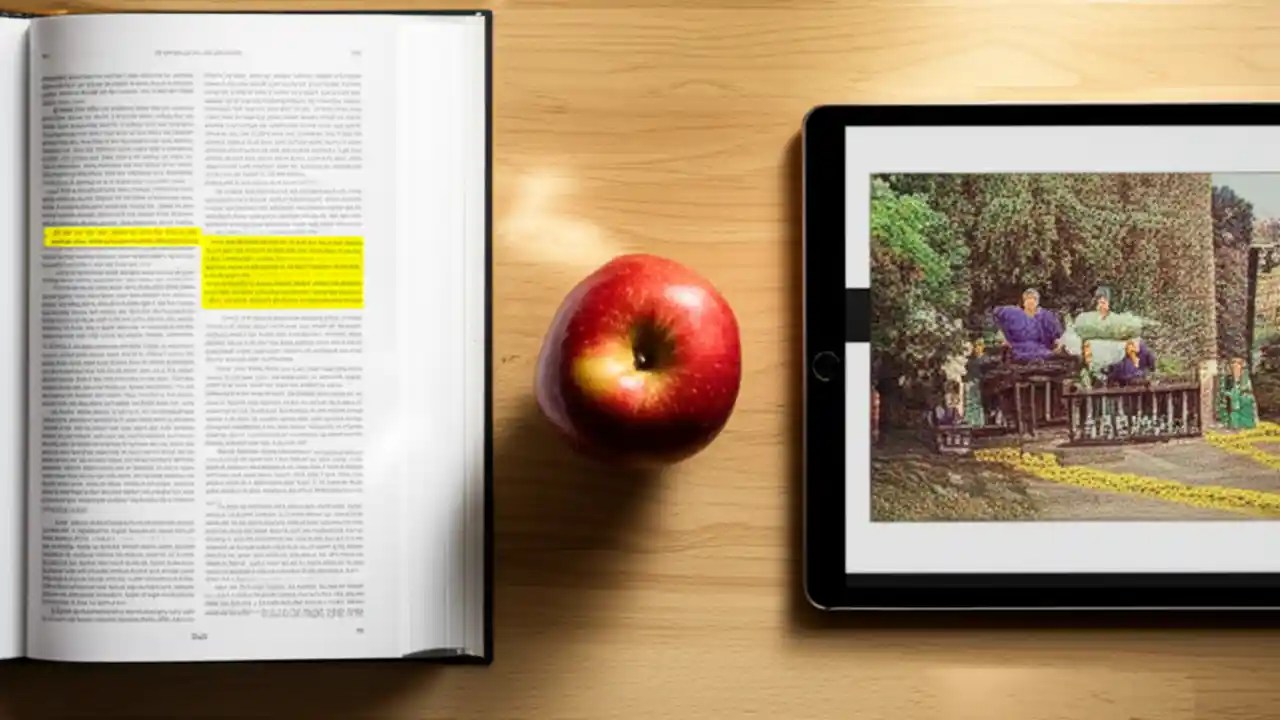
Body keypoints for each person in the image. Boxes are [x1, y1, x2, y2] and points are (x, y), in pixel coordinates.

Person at [990, 288, 1063, 362]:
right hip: (1018, 348)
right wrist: (1004, 337)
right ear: (1024, 302)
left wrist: (1057, 342)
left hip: (1040, 348)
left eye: (1034, 299)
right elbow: (996, 313)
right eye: (1028, 299)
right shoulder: (1014, 313)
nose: (1031, 302)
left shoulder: (1046, 316)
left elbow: (1055, 334)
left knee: (1046, 356)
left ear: (1037, 302)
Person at [1217, 356, 1258, 429]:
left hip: (1244, 404)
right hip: (1233, 405)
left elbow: (1247, 390)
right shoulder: (1228, 378)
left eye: (1238, 364)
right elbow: (1224, 391)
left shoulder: (1245, 378)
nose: (1236, 366)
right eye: (1233, 364)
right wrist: (1229, 394)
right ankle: (1232, 425)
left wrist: (1240, 392)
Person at [963, 337, 991, 427]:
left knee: (978, 402)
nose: (976, 348)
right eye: (975, 346)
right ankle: (971, 420)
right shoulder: (971, 360)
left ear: (982, 347)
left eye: (978, 346)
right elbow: (968, 370)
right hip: (971, 382)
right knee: (970, 401)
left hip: (982, 383)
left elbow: (987, 372)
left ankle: (979, 421)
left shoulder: (985, 359)